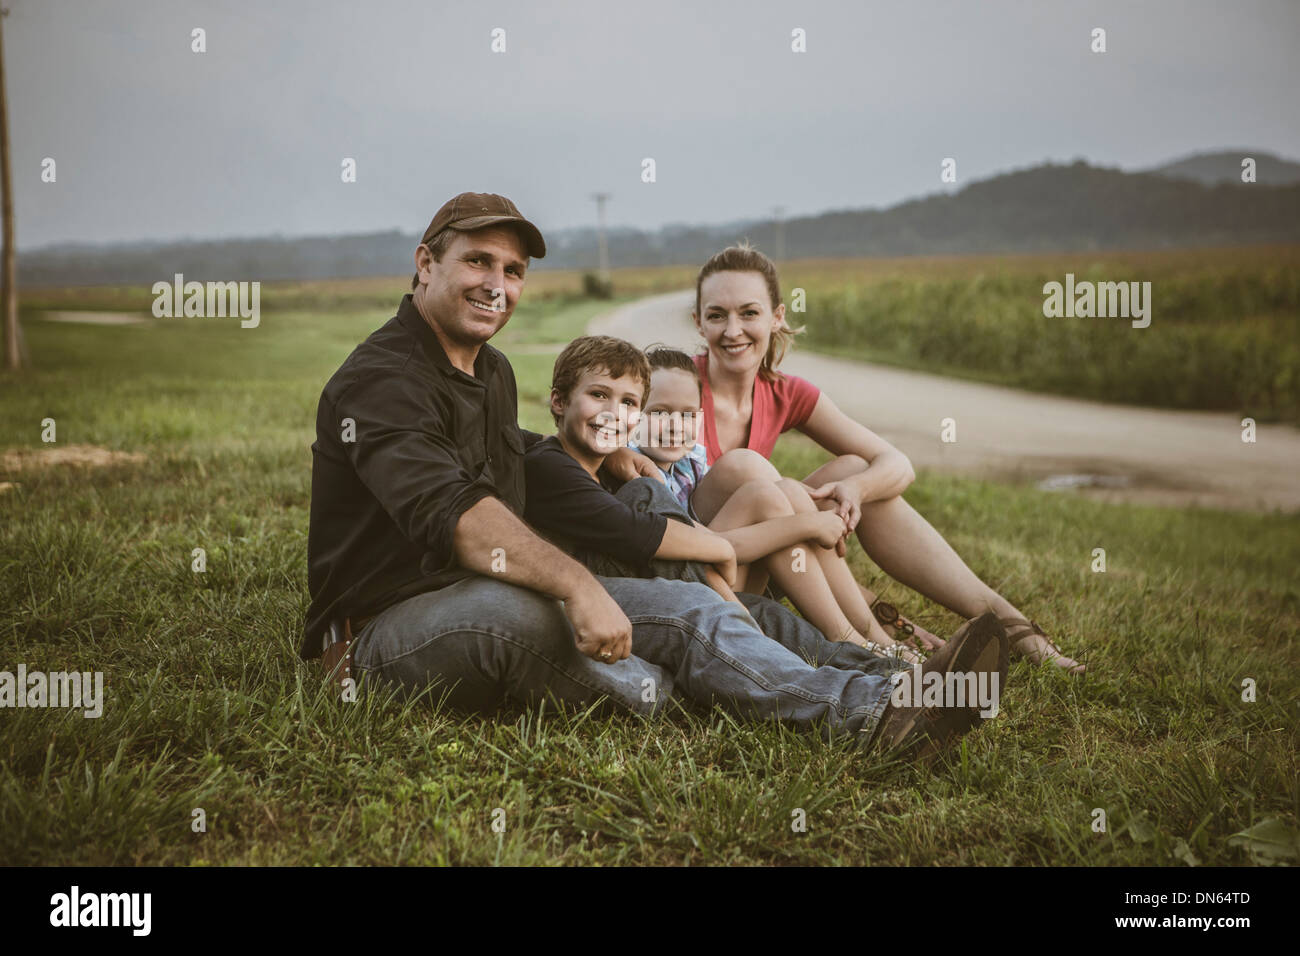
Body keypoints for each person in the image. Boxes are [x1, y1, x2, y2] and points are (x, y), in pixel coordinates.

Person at [302, 190, 1008, 761]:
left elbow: (504, 451)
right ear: (426, 263)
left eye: (512, 271)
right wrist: (579, 586)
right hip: (386, 630)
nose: (497, 285)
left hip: (482, 586)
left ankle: (892, 686)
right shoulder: (382, 380)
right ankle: (848, 713)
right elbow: (455, 512)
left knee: (698, 610)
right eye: (478, 262)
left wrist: (609, 454)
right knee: (636, 679)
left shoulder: (486, 369)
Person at [606, 243, 1084, 674]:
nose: (733, 331)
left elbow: (897, 464)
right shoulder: (672, 386)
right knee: (747, 468)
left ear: (775, 317)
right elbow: (605, 430)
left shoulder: (783, 391)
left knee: (854, 470)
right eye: (717, 316)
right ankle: (876, 635)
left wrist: (855, 491)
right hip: (714, 563)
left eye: (748, 313)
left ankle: (1007, 623)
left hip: (767, 549)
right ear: (699, 322)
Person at [522, 335, 918, 663]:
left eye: (626, 403)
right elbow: (695, 545)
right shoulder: (628, 472)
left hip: (717, 576)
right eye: (658, 412)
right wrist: (809, 524)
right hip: (684, 585)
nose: (674, 426)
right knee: (761, 495)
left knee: (787, 493)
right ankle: (847, 636)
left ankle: (864, 635)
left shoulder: (654, 460)